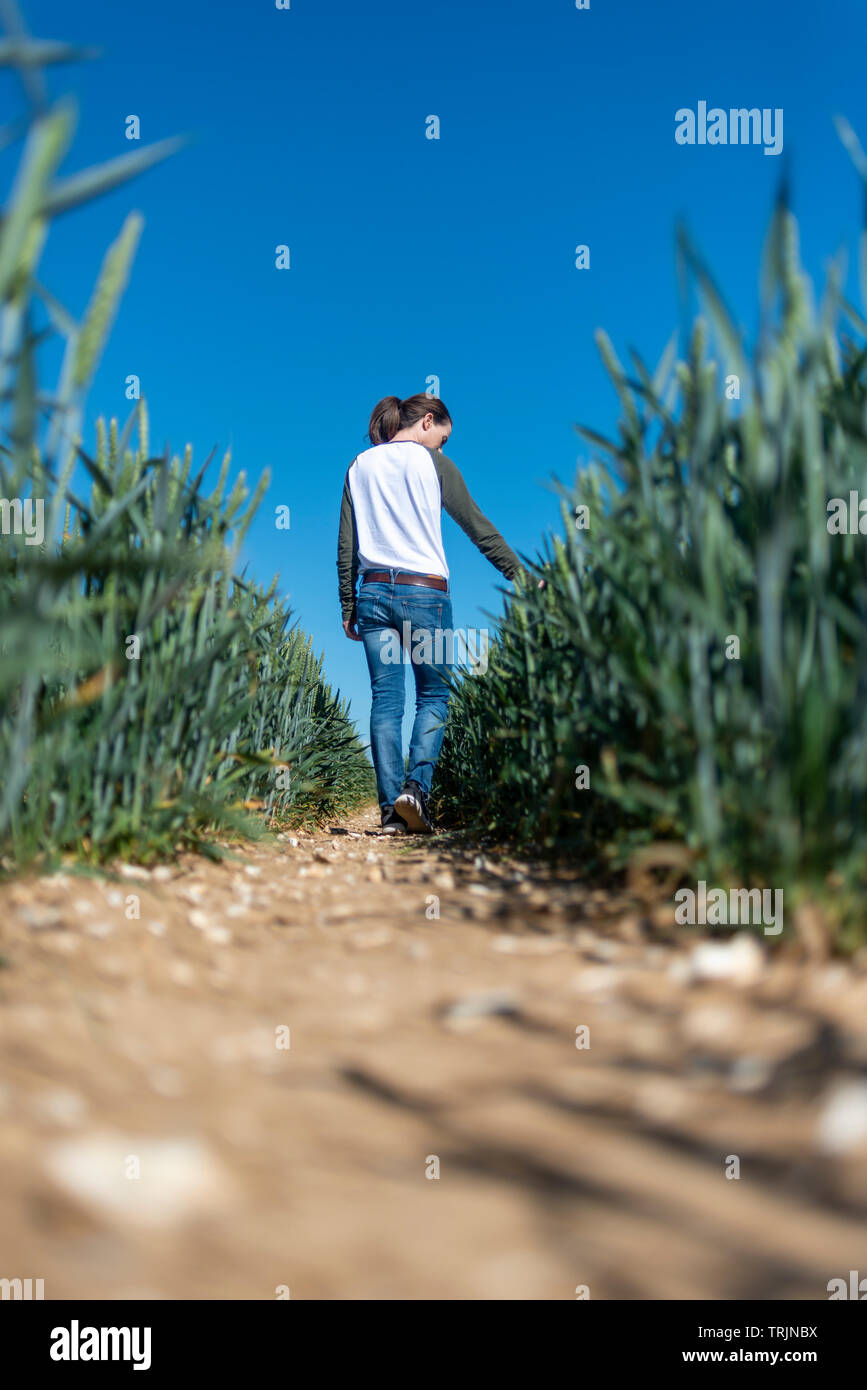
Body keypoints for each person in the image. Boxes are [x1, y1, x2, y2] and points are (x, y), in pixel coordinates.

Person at [337, 393, 521, 834]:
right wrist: (522, 576)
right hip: (426, 597)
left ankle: (390, 816)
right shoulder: (432, 464)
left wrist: (348, 605)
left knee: (386, 701)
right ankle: (415, 791)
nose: (443, 447)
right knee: (434, 696)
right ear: (428, 422)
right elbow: (478, 527)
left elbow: (347, 545)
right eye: (443, 437)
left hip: (374, 594)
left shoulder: (359, 467)